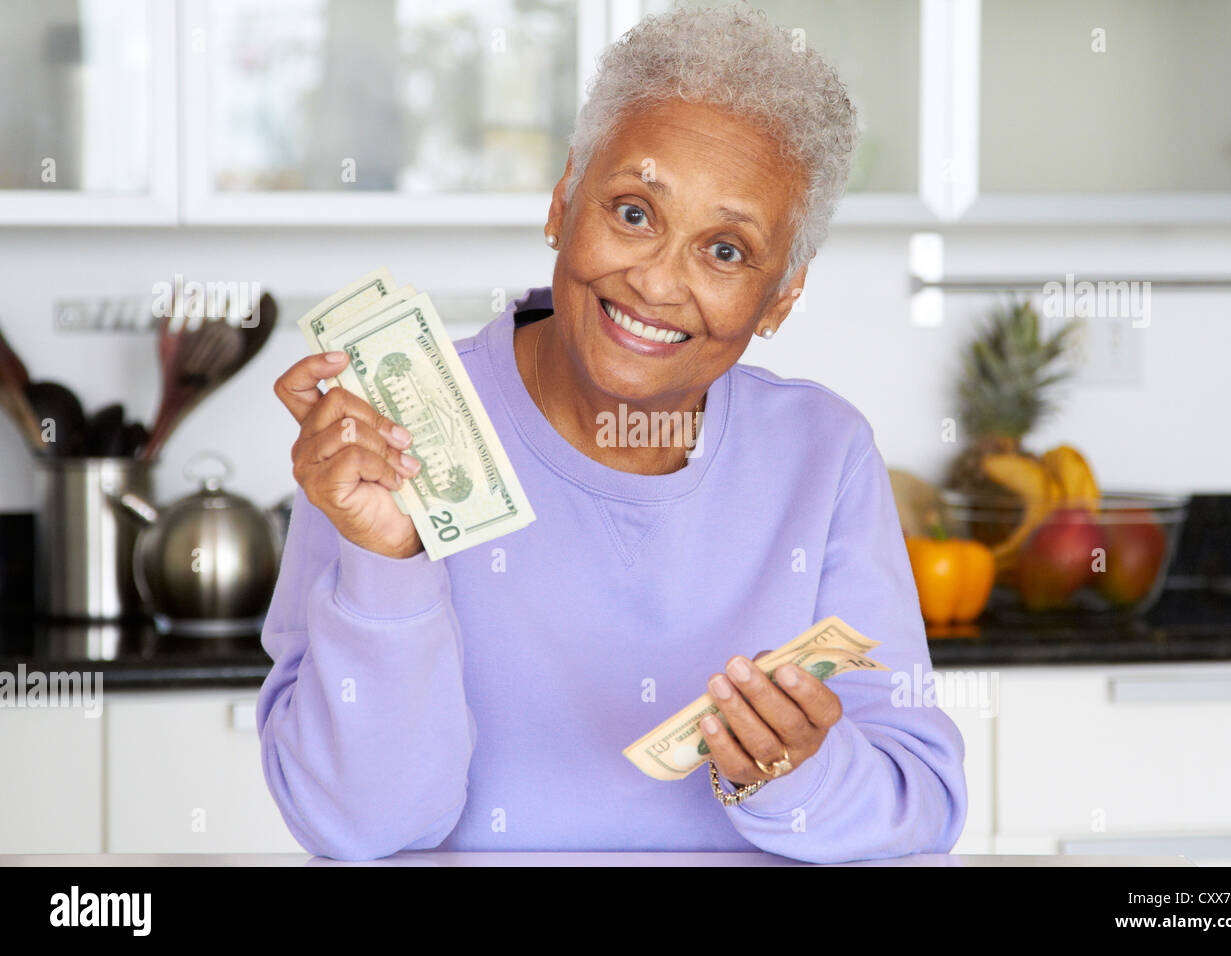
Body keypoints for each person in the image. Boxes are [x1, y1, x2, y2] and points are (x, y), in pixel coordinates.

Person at [258, 3, 967, 862]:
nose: (657, 283)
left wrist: (796, 777)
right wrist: (387, 562)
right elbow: (359, 828)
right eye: (634, 212)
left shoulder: (824, 454)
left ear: (781, 298)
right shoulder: (387, 429)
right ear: (564, 202)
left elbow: (921, 810)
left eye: (726, 251)